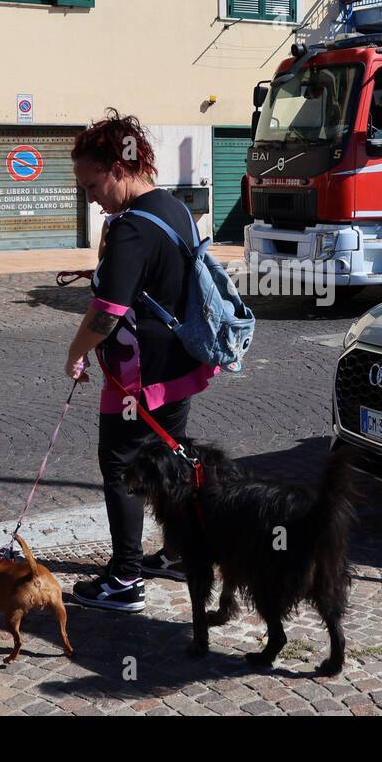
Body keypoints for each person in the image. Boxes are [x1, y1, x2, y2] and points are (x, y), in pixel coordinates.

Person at [65, 109, 217, 611]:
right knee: (167, 463)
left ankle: (125, 578)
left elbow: (107, 314)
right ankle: (177, 554)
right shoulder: (173, 208)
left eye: (91, 186)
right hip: (182, 367)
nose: (90, 199)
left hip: (137, 378)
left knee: (122, 469)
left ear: (116, 168)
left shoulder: (132, 228)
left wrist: (75, 353)